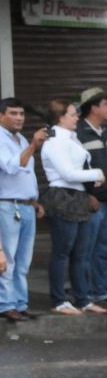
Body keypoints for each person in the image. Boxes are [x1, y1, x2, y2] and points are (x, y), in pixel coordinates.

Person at [41, 99, 106, 315]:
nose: (77, 117)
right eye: (72, 114)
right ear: (60, 118)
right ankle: (59, 300)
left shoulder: (71, 138)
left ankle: (83, 299)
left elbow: (76, 170)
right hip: (62, 196)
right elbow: (67, 173)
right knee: (62, 252)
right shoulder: (54, 141)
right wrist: (95, 174)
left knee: (81, 253)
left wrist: (90, 179)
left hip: (78, 196)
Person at [0, 98, 48, 322]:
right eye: (13, 113)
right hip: (8, 205)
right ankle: (6, 304)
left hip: (25, 206)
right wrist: (33, 145)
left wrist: (35, 200)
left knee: (23, 261)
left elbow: (26, 174)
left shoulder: (18, 139)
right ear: (1, 116)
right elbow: (13, 166)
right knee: (7, 260)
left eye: (21, 113)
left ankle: (20, 303)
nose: (19, 117)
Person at [77, 88, 107, 306]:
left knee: (102, 251)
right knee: (87, 250)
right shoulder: (79, 133)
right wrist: (87, 195)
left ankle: (100, 293)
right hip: (91, 203)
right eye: (106, 104)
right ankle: (85, 294)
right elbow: (75, 168)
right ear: (94, 107)